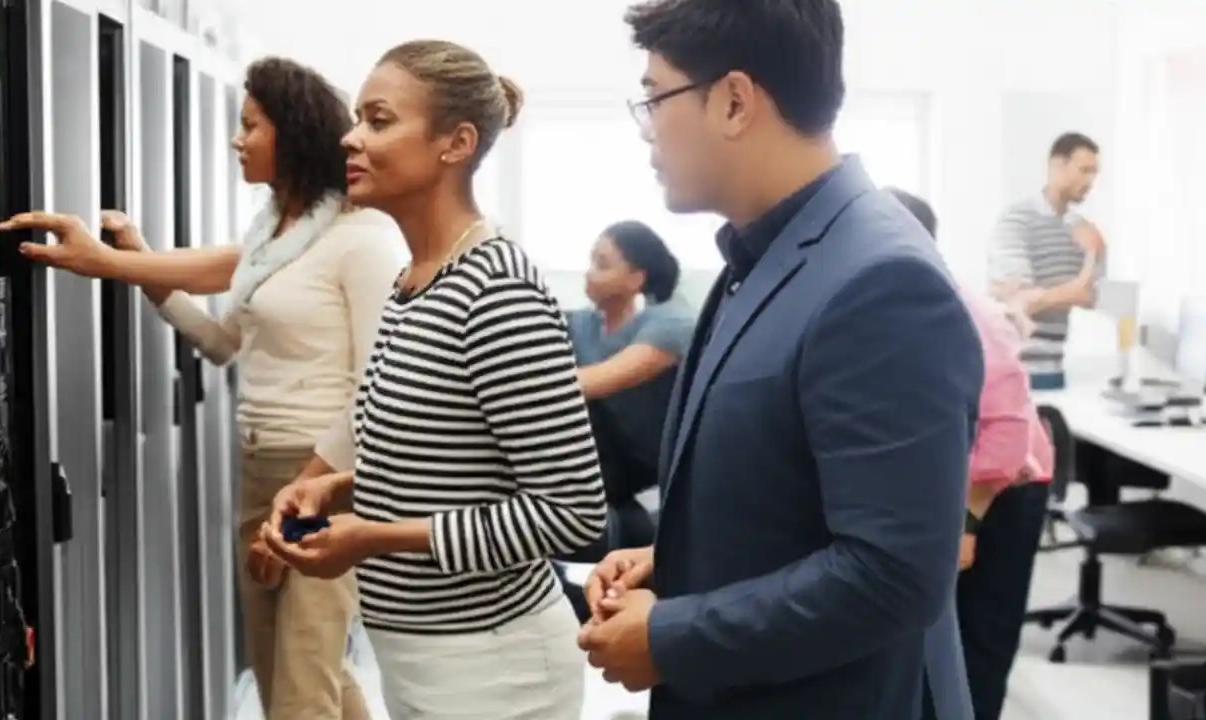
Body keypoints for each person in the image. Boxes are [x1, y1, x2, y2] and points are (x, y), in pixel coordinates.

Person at [578, 3, 985, 719]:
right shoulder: (765, 252)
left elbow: (892, 573)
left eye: (655, 98)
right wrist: (674, 563)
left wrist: (671, 636)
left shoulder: (880, 278)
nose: (647, 130)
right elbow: (786, 496)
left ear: (734, 101)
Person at [0, 57, 401, 720]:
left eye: (251, 125)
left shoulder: (361, 239)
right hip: (259, 468)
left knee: (301, 687)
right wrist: (139, 271)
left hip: (324, 478)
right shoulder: (271, 238)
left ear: (291, 131)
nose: (238, 140)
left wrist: (308, 487)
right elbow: (221, 343)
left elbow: (375, 388)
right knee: (289, 672)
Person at [257, 40, 607, 720]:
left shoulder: (496, 289)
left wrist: (373, 535)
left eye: (379, 120)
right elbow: (454, 455)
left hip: (494, 670)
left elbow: (571, 510)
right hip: (421, 656)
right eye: (357, 119)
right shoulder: (412, 282)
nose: (350, 138)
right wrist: (339, 486)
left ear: (457, 143)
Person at [890, 188, 1056, 720]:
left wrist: (967, 523)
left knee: (979, 642)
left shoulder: (958, 307)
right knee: (938, 647)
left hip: (1003, 490)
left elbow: (1006, 427)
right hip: (960, 488)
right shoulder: (901, 299)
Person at [557, 221, 695, 620]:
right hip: (597, 474)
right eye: (591, 262)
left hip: (645, 472)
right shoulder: (578, 324)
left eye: (603, 264)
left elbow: (599, 381)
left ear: (637, 278)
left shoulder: (670, 323)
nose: (589, 273)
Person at [989, 132, 1106, 390]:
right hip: (1014, 372)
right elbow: (1018, 302)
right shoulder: (1017, 219)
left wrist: (1095, 252)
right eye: (1084, 170)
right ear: (1057, 166)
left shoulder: (1083, 230)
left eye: (1094, 173)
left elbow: (1092, 298)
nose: (1090, 181)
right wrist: (1079, 282)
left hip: (1055, 371)